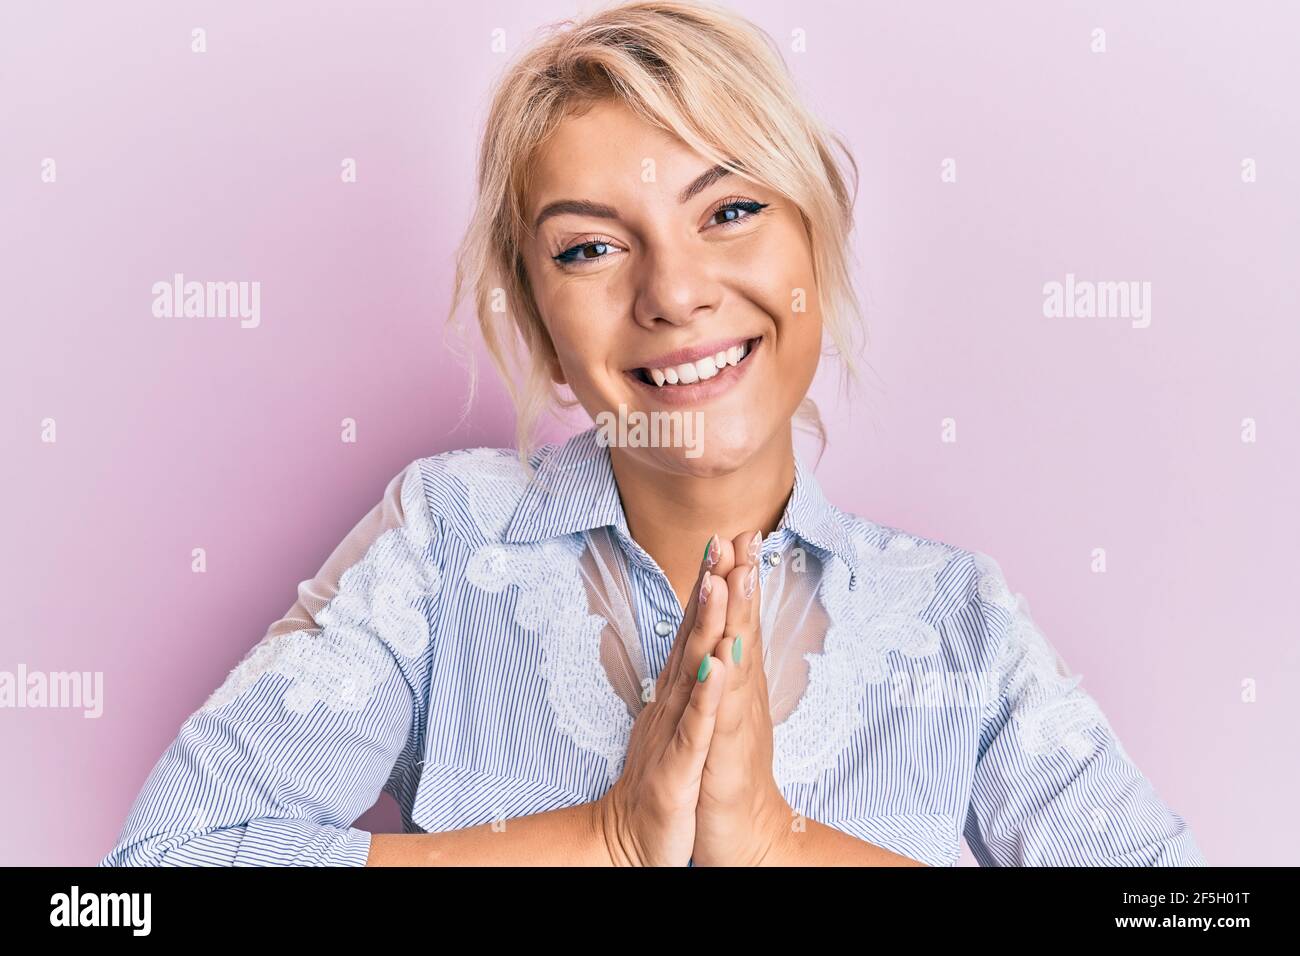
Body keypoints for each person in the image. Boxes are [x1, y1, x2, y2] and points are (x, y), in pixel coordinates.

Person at [100, 0, 1205, 867]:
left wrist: (777, 841)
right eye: (589, 248)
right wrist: (606, 836)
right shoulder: (442, 545)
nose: (674, 293)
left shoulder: (960, 621)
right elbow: (135, 885)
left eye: (729, 211)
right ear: (535, 312)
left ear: (812, 243)